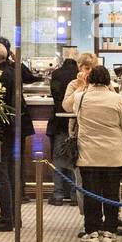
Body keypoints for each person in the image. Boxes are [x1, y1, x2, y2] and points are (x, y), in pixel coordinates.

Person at [63, 64, 122, 242]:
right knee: (111, 192)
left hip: (88, 154)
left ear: (89, 79)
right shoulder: (116, 99)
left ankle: (92, 230)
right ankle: (110, 230)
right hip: (113, 155)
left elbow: (67, 107)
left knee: (90, 193)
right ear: (108, 80)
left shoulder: (80, 97)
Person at [0, 41, 33, 234]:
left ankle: (6, 217)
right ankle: (15, 216)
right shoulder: (13, 71)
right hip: (15, 131)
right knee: (13, 171)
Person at [47, 49, 80, 205]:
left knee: (59, 159)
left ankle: (58, 195)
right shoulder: (79, 77)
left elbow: (54, 95)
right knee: (75, 158)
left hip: (59, 122)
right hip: (76, 123)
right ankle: (75, 196)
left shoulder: (56, 74)